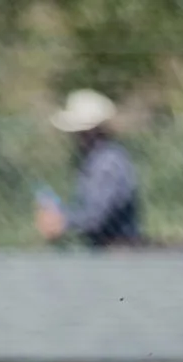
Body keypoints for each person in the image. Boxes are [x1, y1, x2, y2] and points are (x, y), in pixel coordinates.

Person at [34, 90, 140, 249]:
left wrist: (61, 221)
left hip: (118, 250)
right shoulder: (94, 160)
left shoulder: (107, 163)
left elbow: (95, 216)